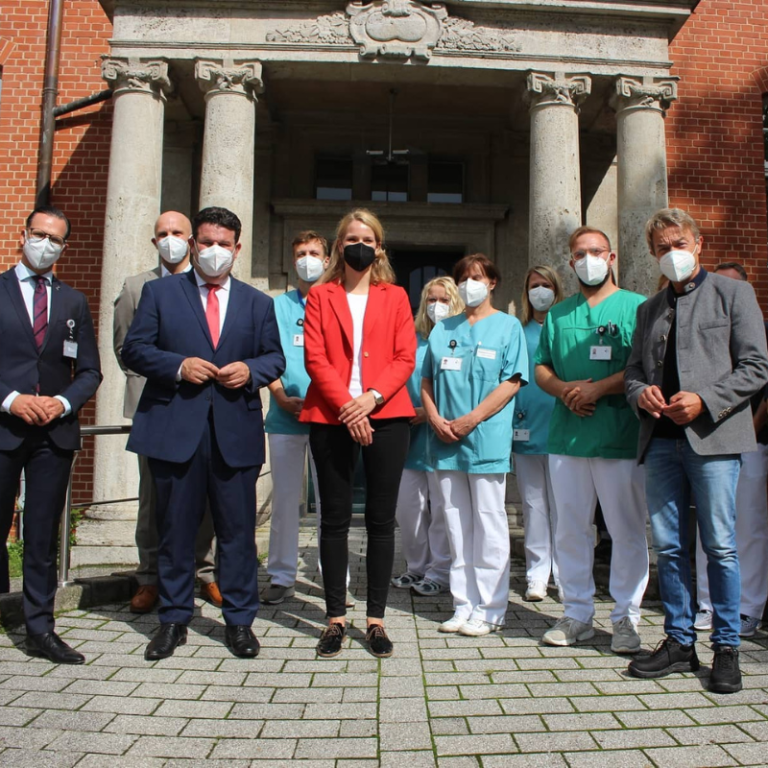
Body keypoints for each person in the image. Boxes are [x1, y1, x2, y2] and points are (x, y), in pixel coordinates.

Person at [122, 206, 285, 661]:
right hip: (175, 429)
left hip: (234, 434)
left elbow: (275, 358)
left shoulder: (259, 303)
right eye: (206, 242)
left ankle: (239, 622)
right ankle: (173, 620)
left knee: (237, 533)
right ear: (193, 244)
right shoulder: (159, 293)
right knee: (174, 530)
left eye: (223, 244)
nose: (214, 251)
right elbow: (134, 349)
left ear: (237, 248)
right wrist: (178, 365)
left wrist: (250, 369)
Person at [625, 212, 768, 694]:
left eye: (679, 242)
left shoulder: (734, 295)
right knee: (668, 546)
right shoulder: (648, 310)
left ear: (699, 243)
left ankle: (726, 647)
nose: (672, 252)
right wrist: (640, 392)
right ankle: (679, 641)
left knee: (720, 546)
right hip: (660, 443)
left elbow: (756, 367)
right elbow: (631, 373)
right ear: (653, 254)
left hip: (714, 440)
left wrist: (707, 399)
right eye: (662, 247)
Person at [300, 209, 416, 659]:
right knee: (333, 518)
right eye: (351, 238)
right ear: (338, 247)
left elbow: (405, 358)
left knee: (381, 521)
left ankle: (376, 619)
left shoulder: (396, 297)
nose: (360, 245)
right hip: (331, 417)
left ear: (380, 247)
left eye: (367, 238)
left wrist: (369, 399)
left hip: (385, 415)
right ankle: (333, 618)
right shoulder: (320, 296)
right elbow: (315, 359)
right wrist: (349, 408)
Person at [535, 226, 649, 654]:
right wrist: (565, 390)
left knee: (626, 529)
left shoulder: (638, 307)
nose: (588, 259)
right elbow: (542, 367)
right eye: (580, 253)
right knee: (571, 529)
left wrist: (599, 389)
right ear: (571, 262)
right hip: (568, 437)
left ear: (613, 256)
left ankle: (626, 618)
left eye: (596, 251)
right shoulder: (560, 314)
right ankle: (577, 613)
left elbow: (644, 366)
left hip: (619, 434)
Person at [0, 206, 101, 664]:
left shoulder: (73, 301)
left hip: (53, 433)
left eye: (55, 239)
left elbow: (90, 371)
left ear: (65, 246)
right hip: (3, 425)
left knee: (41, 535)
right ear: (23, 235)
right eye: (39, 234)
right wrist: (12, 399)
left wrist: (61, 403)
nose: (46, 244)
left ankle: (40, 628)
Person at [113, 211, 220, 614]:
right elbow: (126, 347)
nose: (170, 239)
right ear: (153, 240)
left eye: (177, 233)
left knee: (207, 495)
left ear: (191, 240)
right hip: (157, 405)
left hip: (206, 407)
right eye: (162, 233)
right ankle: (150, 575)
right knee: (154, 497)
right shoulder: (137, 286)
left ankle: (205, 570)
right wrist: (170, 372)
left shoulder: (207, 285)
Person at [422, 254, 527, 637]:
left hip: (484, 439)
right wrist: (434, 418)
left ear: (493, 282)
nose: (470, 284)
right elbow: (428, 380)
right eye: (464, 278)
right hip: (445, 439)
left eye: (477, 277)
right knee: (455, 524)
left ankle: (491, 607)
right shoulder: (442, 328)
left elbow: (511, 382)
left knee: (488, 523)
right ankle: (463, 604)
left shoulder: (507, 326)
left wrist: (472, 419)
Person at [693, 262, 768, 639]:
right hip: (707, 438)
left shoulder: (759, 330)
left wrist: (749, 435)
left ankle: (748, 608)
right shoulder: (701, 325)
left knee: (748, 527)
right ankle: (708, 604)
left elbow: (762, 385)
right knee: (710, 524)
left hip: (751, 440)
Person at [262, 231, 331, 605]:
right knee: (286, 500)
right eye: (301, 253)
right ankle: (281, 574)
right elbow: (265, 353)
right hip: (285, 415)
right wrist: (277, 394)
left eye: (314, 253)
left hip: (329, 417)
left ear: (328, 258)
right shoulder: (277, 307)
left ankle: (335, 578)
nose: (308, 259)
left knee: (330, 501)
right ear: (293, 261)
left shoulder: (339, 302)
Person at [391, 276, 463, 596]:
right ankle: (415, 566)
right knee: (408, 509)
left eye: (444, 300)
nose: (437, 306)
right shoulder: (412, 340)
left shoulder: (461, 337)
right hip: (408, 437)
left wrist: (430, 414)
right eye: (431, 300)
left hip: (444, 436)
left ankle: (441, 570)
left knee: (443, 510)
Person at [512, 265, 564, 602]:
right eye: (534, 285)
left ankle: (565, 574)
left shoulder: (564, 326)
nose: (540, 291)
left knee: (564, 507)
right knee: (533, 506)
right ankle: (536, 575)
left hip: (563, 428)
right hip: (525, 428)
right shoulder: (518, 331)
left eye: (546, 285)